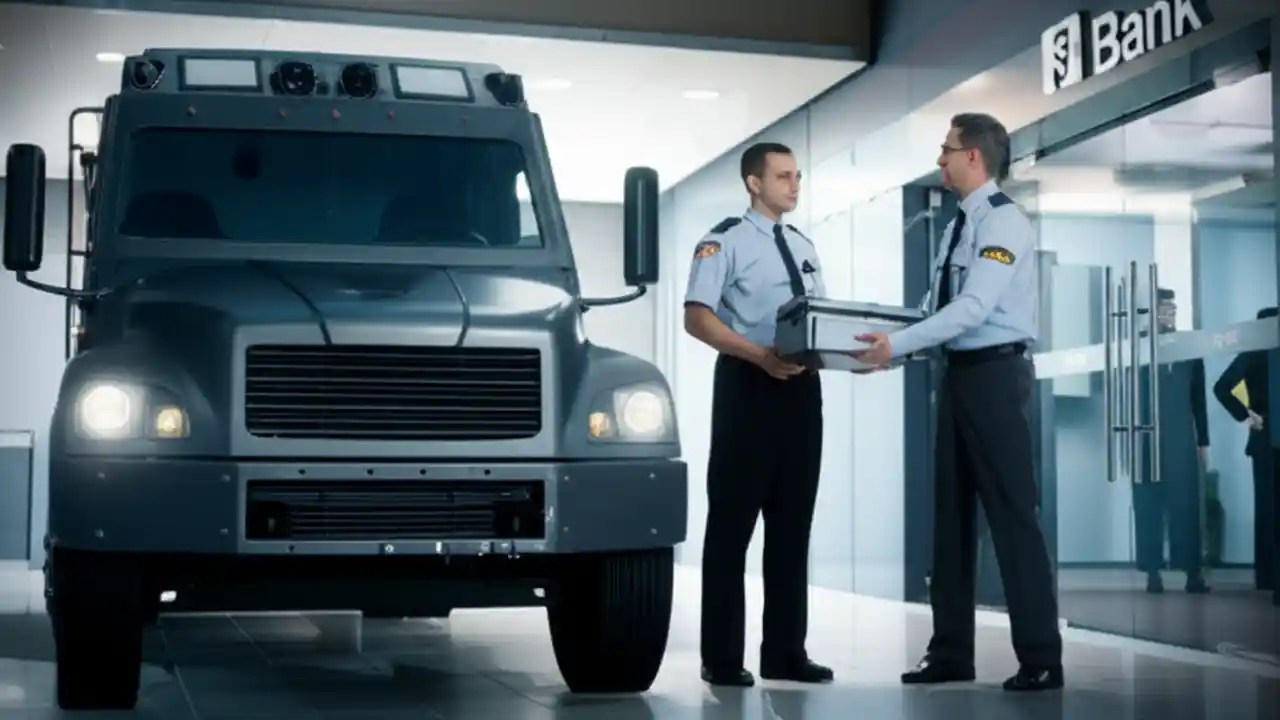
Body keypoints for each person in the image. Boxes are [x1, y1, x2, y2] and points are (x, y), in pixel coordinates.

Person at [854, 113, 1063, 692]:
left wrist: (898, 344)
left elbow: (972, 311)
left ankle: (1042, 657)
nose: (940, 159)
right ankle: (950, 653)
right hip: (960, 376)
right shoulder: (956, 226)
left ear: (973, 157)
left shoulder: (1003, 222)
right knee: (949, 519)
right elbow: (934, 311)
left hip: (997, 377)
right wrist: (891, 353)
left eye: (946, 149)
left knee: (1013, 517)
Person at [682, 141, 833, 687]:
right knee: (732, 527)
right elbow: (697, 318)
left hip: (801, 392)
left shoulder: (804, 244)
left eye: (798, 176)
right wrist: (758, 356)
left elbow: (817, 320)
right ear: (754, 182)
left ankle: (786, 652)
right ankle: (721, 659)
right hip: (748, 386)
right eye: (784, 176)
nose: (795, 185)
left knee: (793, 527)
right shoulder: (723, 241)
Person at [1134, 288, 1211, 594]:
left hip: (1180, 438)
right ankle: (1153, 572)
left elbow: (1199, 398)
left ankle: (1192, 572)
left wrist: (1203, 441)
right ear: (1152, 314)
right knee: (1148, 505)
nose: (1169, 317)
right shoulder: (1139, 349)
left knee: (1186, 505)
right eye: (1163, 311)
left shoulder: (1188, 348)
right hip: (1146, 437)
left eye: (1172, 312)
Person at [1212, 306, 1280, 598]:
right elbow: (1222, 387)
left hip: (1264, 439)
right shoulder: (1256, 353)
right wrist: (1247, 415)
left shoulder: (1255, 353)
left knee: (1268, 509)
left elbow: (1222, 387)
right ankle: (1270, 578)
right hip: (1265, 440)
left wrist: (1247, 416)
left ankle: (1268, 577)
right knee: (1269, 510)